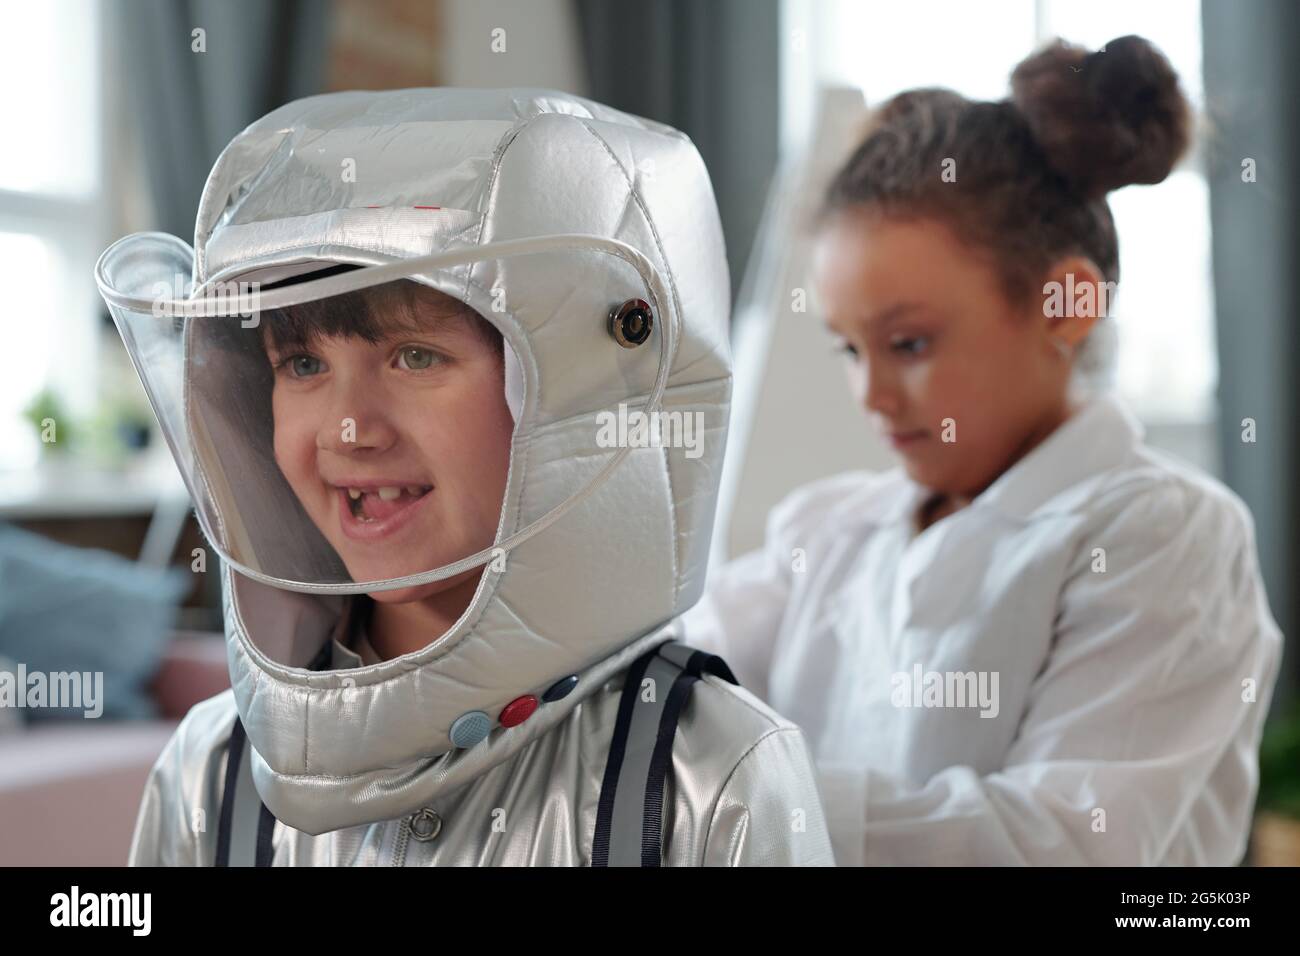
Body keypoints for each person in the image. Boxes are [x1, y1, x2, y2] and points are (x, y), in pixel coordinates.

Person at [96, 87, 834, 866]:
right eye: (303, 364)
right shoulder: (209, 775)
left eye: (416, 357)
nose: (350, 431)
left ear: (572, 391)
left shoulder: (704, 778)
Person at [680, 35, 1284, 865]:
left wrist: (749, 801)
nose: (872, 395)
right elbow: (666, 686)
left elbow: (1063, 846)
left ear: (1067, 307)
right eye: (850, 350)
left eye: (911, 344)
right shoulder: (826, 530)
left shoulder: (1166, 535)